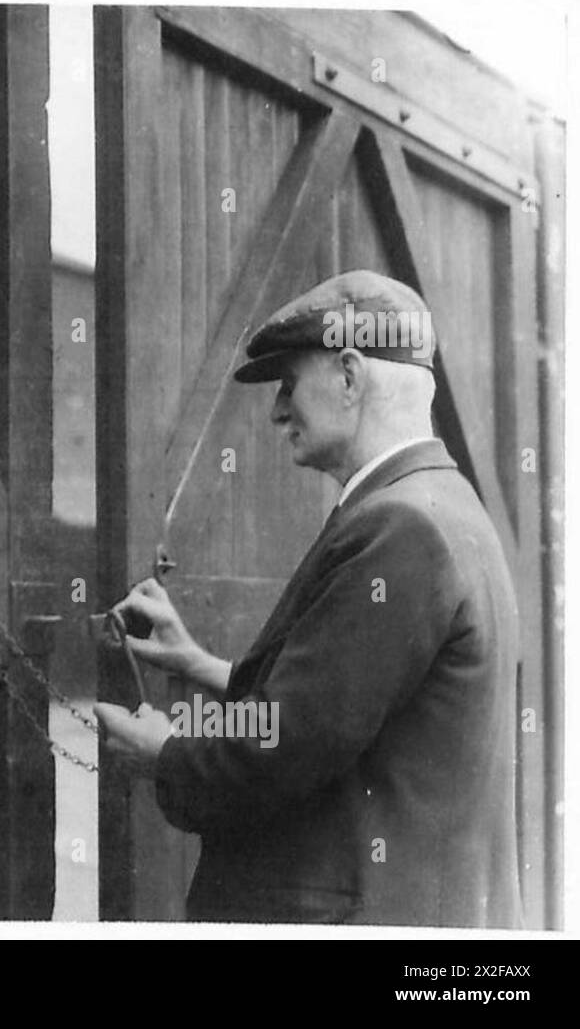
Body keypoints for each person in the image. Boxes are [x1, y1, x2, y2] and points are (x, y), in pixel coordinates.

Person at [94, 270, 522, 927]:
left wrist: (166, 754)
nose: (277, 410)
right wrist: (197, 664)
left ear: (350, 378)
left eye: (289, 383)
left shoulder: (399, 527)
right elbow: (342, 702)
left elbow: (289, 745)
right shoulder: (440, 506)